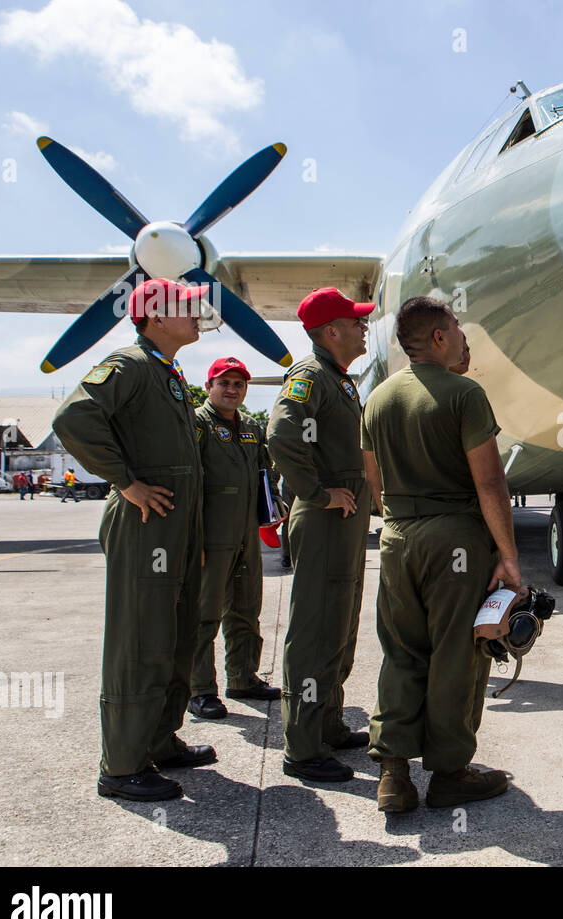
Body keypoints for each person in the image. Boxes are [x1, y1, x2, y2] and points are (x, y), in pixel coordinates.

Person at [52, 277, 216, 801]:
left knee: (175, 635)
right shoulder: (128, 365)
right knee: (140, 640)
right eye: (186, 309)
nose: (197, 316)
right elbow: (73, 417)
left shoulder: (164, 370)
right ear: (156, 317)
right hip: (147, 525)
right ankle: (122, 766)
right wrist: (125, 482)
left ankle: (158, 740)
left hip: (175, 524)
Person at [362, 297, 520, 813]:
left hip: (397, 539)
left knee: (403, 651)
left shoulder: (379, 399)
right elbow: (490, 482)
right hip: (455, 542)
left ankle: (392, 775)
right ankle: (450, 773)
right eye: (454, 327)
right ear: (436, 337)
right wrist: (508, 557)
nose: (459, 334)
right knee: (456, 655)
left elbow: (373, 483)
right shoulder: (465, 395)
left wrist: (406, 520)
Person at [267, 287, 373, 783]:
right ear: (331, 331)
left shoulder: (339, 379)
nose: (364, 326)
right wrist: (317, 492)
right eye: (355, 321)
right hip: (327, 518)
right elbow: (282, 435)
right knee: (314, 630)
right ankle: (302, 747)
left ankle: (328, 722)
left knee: (340, 624)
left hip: (346, 521)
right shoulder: (310, 377)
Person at [188, 356, 282, 721]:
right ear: (210, 385)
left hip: (246, 534)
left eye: (239, 384)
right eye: (224, 383)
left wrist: (274, 505)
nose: (232, 390)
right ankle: (199, 689)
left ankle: (243, 676)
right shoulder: (197, 424)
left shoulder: (251, 428)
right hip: (210, 536)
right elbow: (188, 482)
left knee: (246, 609)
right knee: (204, 614)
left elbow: (265, 472)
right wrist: (191, 537)